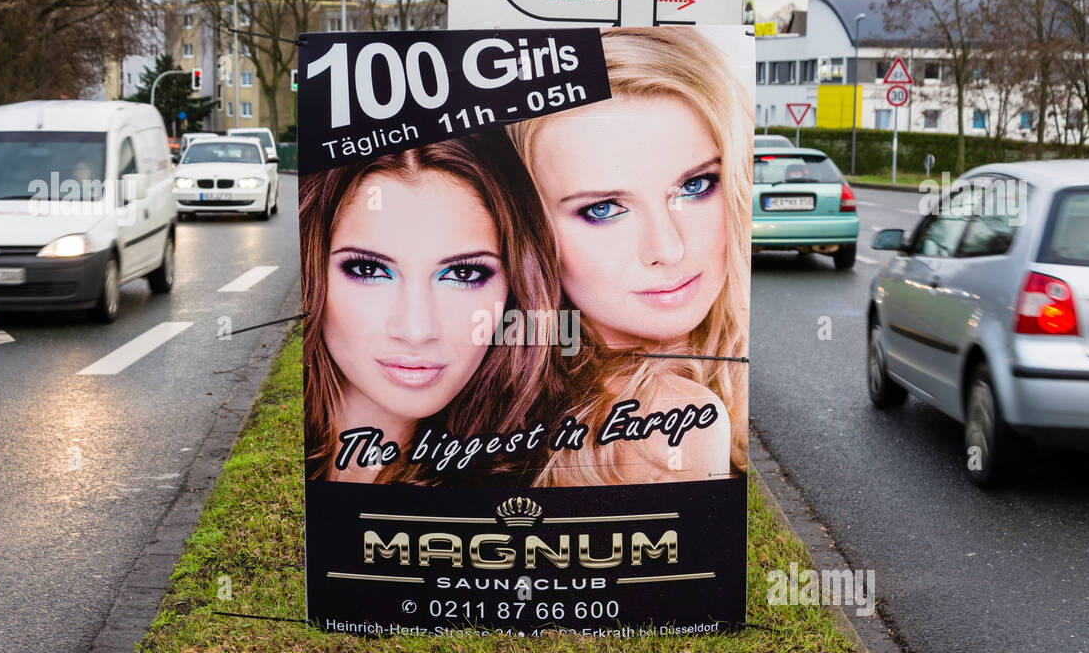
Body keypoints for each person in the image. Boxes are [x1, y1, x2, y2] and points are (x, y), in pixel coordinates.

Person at [508, 27, 752, 485]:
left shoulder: (729, 370)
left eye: (695, 185)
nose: (667, 248)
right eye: (603, 209)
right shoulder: (674, 425)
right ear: (531, 230)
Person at [300, 129, 564, 485]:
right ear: (312, 272)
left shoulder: (548, 476)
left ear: (516, 288)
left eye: (462, 273)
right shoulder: (273, 469)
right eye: (369, 270)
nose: (417, 330)